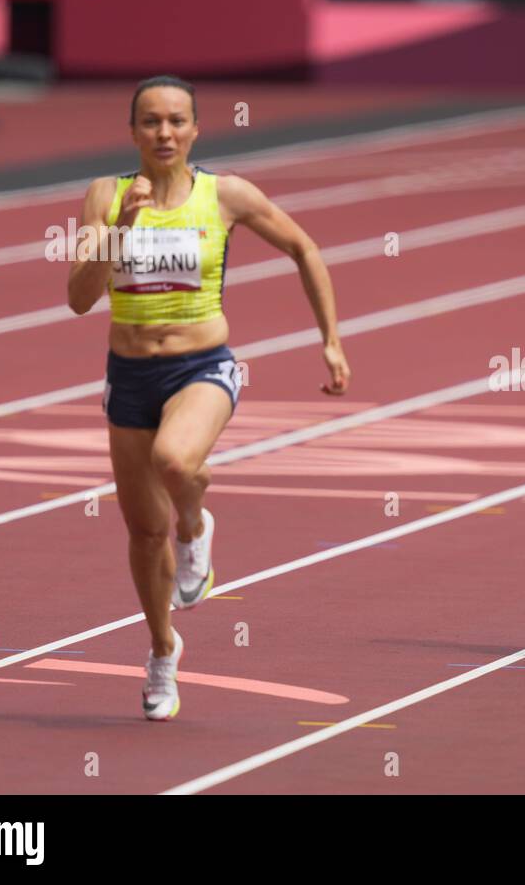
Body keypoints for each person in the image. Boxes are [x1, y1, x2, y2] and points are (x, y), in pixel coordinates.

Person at [66, 75, 351, 719]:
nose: (163, 133)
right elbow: (79, 297)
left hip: (204, 366)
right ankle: (163, 649)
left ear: (196, 130)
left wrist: (331, 340)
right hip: (129, 375)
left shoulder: (226, 195)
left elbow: (303, 247)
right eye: (150, 122)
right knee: (142, 531)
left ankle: (195, 524)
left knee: (175, 460)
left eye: (176, 121)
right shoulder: (104, 196)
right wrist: (122, 227)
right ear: (133, 131)